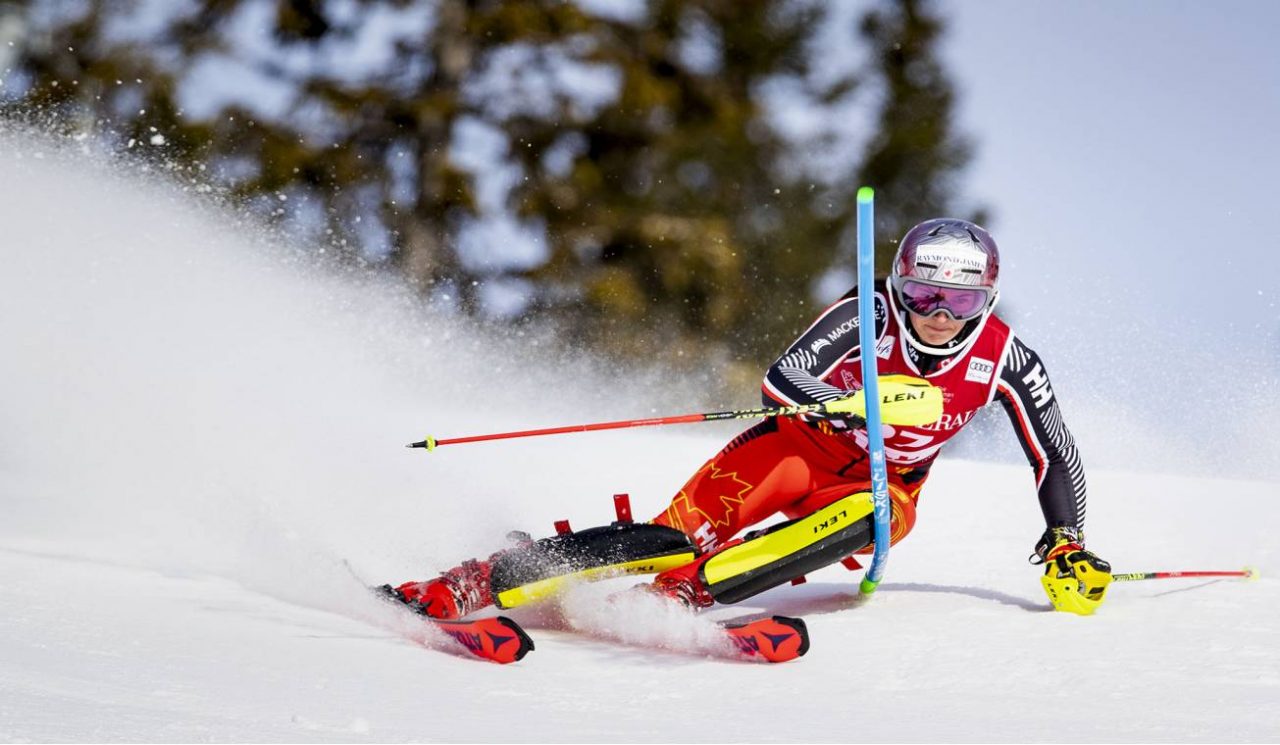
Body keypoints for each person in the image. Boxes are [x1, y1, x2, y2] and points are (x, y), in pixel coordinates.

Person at [388, 218, 1113, 619]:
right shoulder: (869, 313)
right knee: (671, 537)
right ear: (900, 284)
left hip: (881, 484)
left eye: (956, 302)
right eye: (924, 294)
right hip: (796, 446)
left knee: (874, 516)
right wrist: (843, 401)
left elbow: (1054, 451)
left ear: (983, 302)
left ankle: (686, 595)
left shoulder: (1005, 357)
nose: (936, 316)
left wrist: (1065, 541)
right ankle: (480, 578)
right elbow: (781, 378)